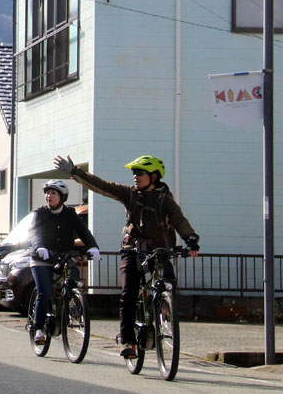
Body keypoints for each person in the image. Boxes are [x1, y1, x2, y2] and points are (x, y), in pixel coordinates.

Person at [52, 154, 199, 360]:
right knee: (129, 293)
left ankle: (164, 311)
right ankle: (128, 340)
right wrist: (75, 172)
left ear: (154, 176)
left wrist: (191, 238)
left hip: (159, 249)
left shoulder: (165, 199)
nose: (135, 177)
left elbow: (179, 220)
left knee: (169, 283)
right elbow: (102, 186)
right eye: (134, 173)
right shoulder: (130, 194)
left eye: (140, 173)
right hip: (133, 249)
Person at [29, 178, 100, 346]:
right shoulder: (40, 213)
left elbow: (83, 231)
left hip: (63, 257)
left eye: (53, 193)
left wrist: (93, 246)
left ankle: (68, 308)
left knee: (73, 281)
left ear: (62, 196)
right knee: (44, 293)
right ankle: (39, 329)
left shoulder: (70, 213)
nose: (49, 196)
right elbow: (35, 232)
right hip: (42, 258)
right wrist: (39, 246)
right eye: (47, 193)